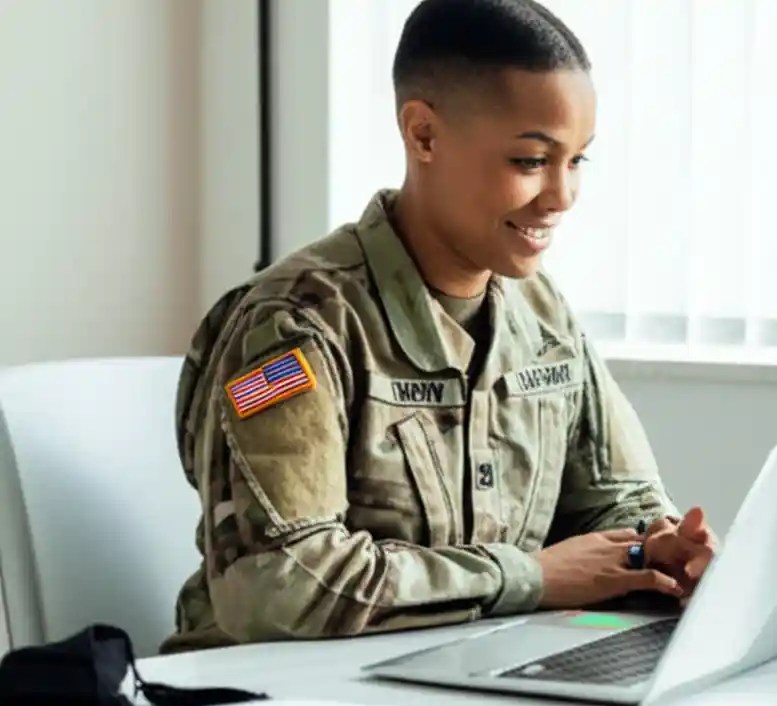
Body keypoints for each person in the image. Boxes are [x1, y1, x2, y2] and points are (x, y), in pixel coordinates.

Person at [160, 0, 717, 654]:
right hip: (282, 694)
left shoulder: (544, 317)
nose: (563, 196)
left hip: (467, 673)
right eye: (531, 162)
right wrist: (527, 577)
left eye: (577, 161)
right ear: (423, 135)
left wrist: (657, 550)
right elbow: (282, 584)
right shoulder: (292, 329)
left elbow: (616, 503)